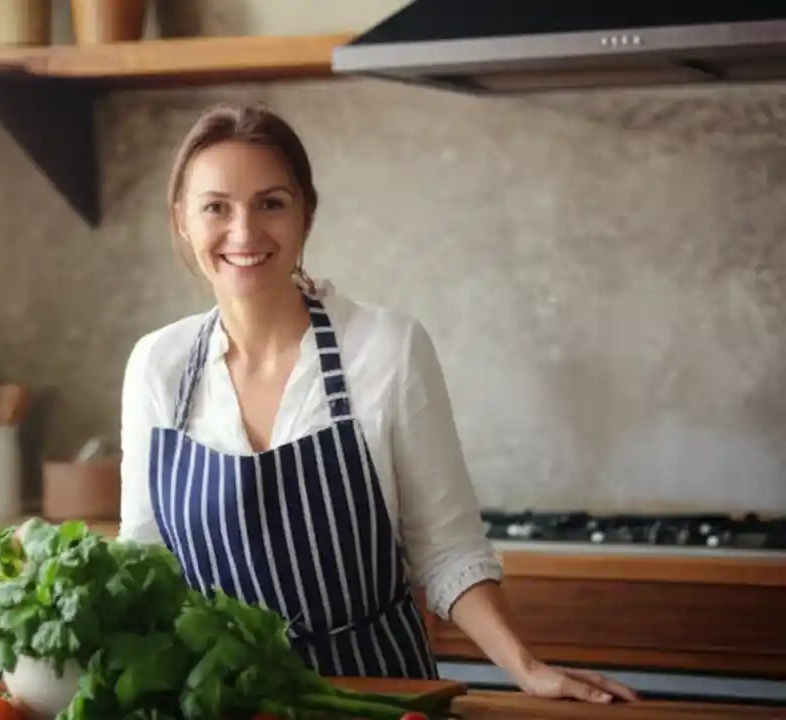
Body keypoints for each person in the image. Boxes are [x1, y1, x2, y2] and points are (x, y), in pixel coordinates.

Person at [117, 102, 637, 704]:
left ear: (306, 214)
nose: (244, 232)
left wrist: (527, 668)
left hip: (378, 693)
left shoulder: (387, 349)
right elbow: (145, 556)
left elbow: (446, 550)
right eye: (216, 207)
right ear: (181, 221)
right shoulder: (159, 364)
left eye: (271, 203)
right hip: (224, 701)